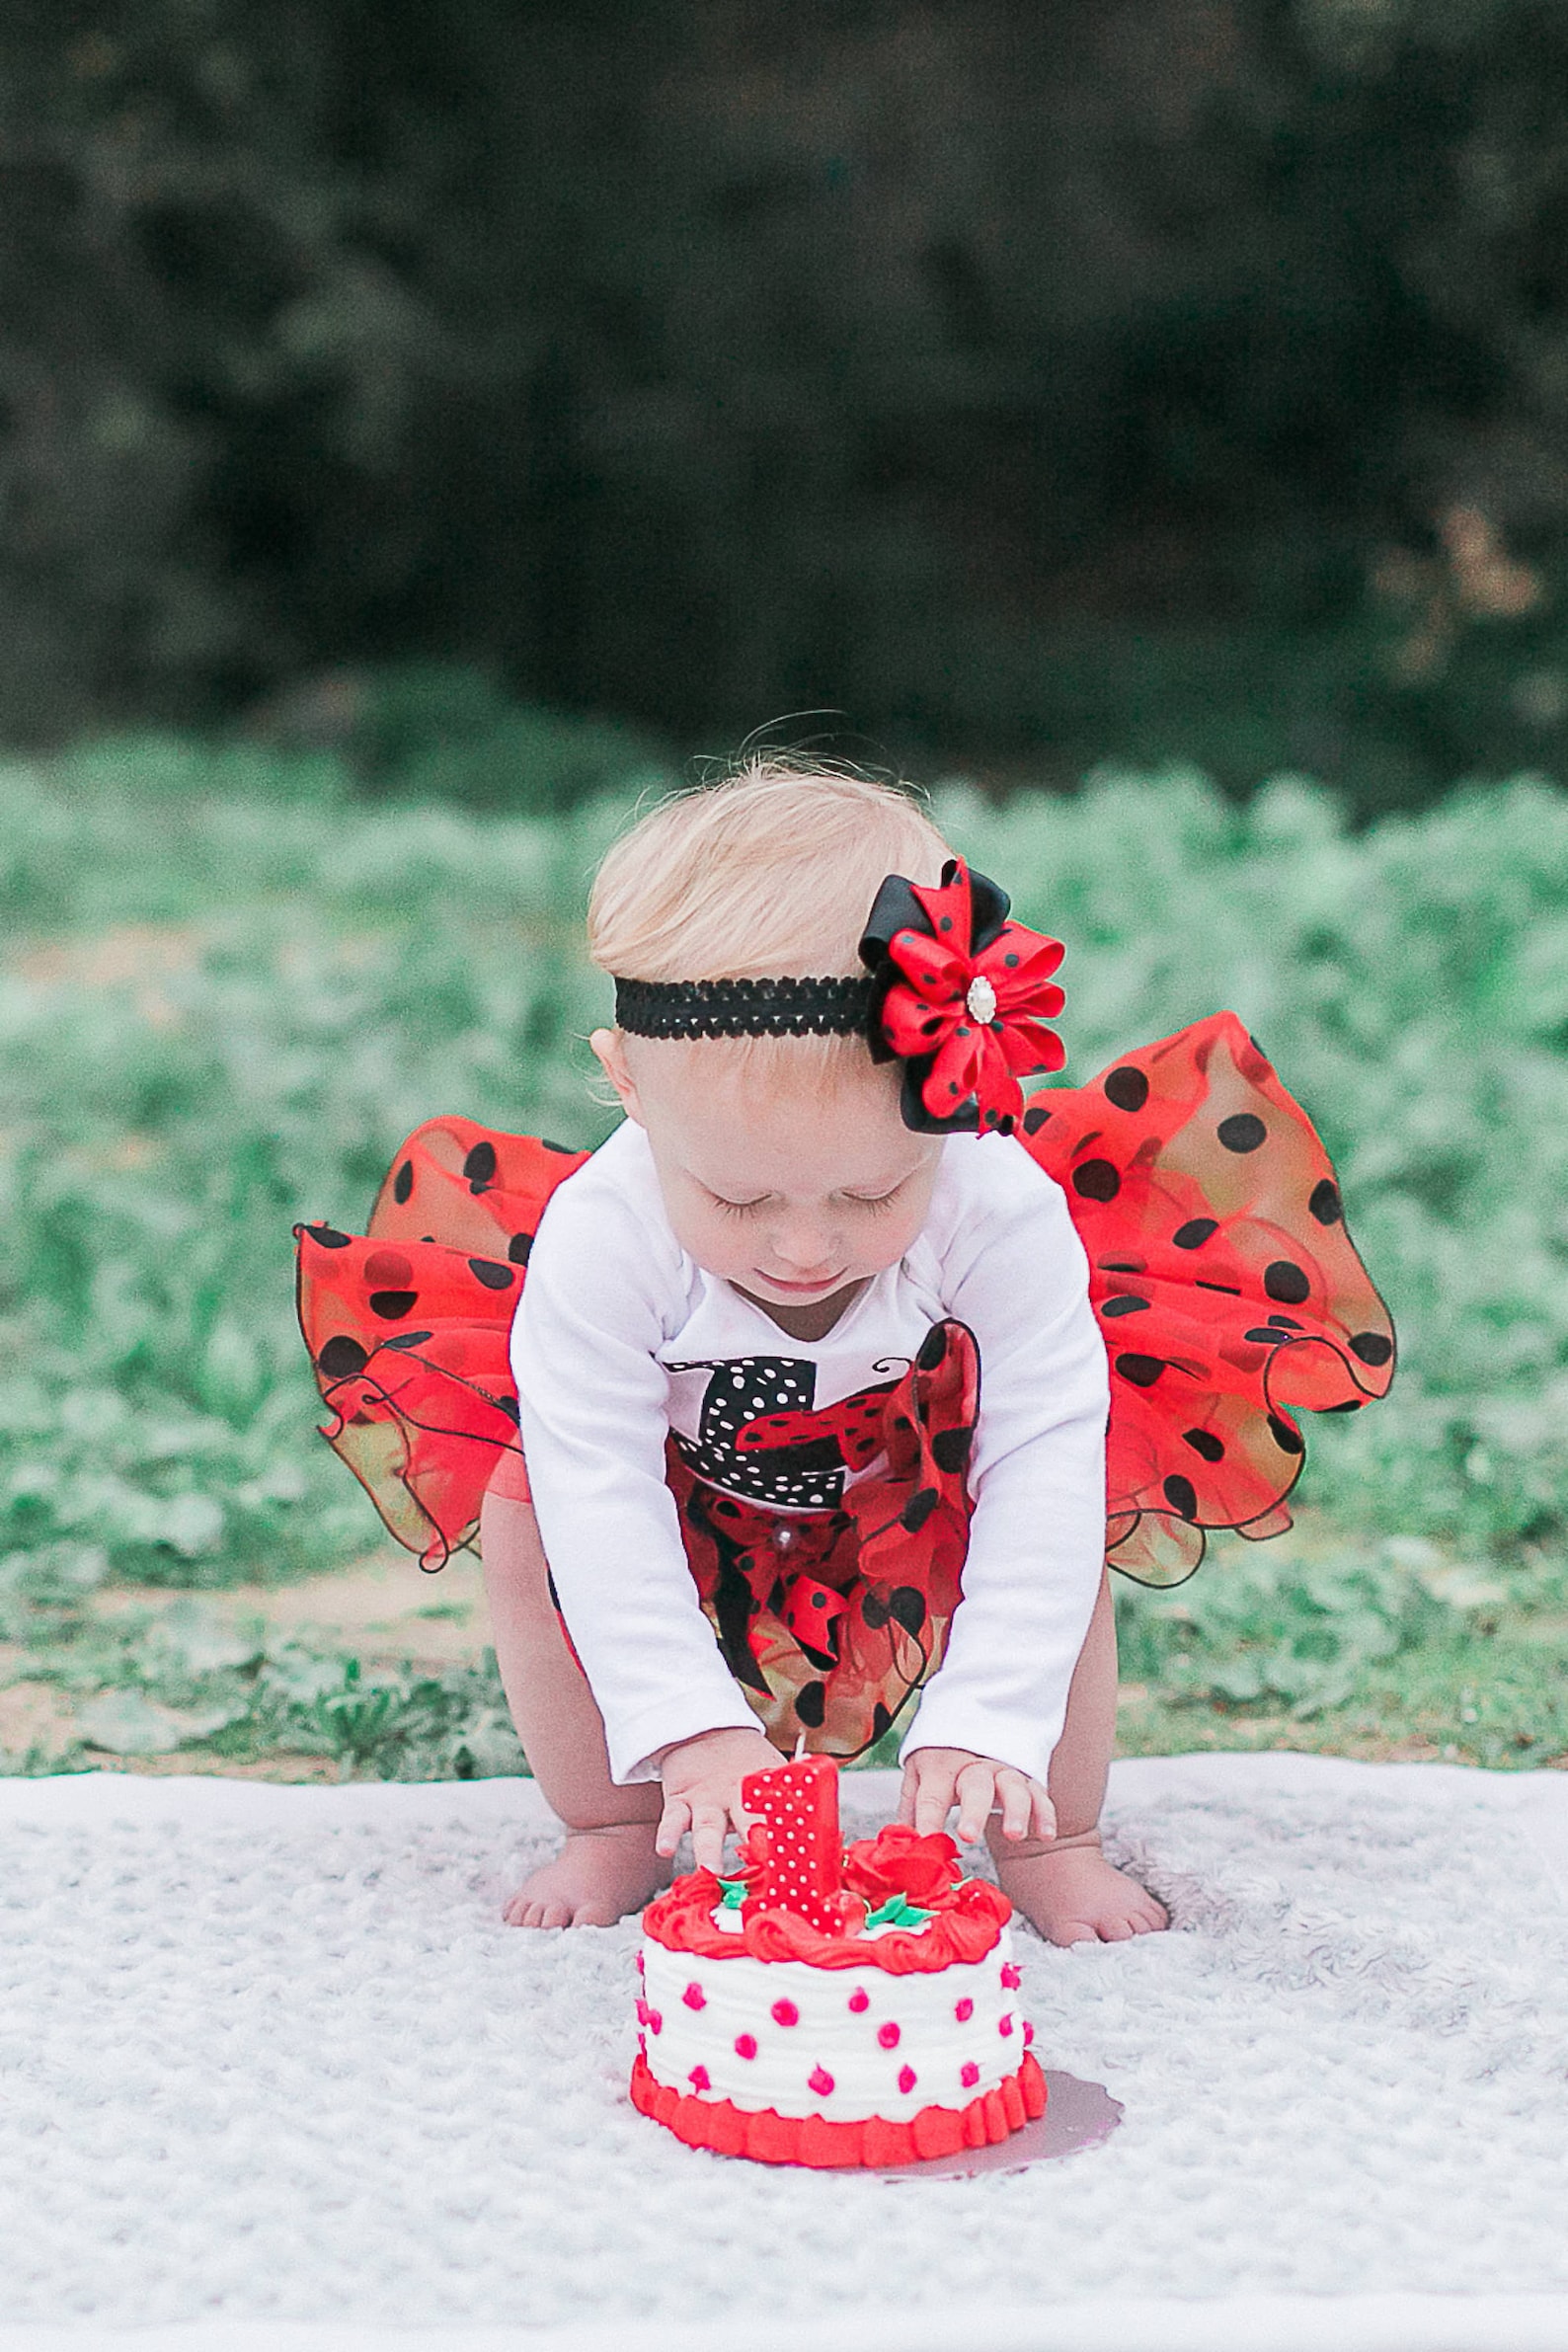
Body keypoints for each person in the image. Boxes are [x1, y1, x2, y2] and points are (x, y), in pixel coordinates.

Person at [295, 761, 1394, 1945]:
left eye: (875, 1189)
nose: (806, 1246)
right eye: (738, 1195)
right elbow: (598, 1488)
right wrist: (690, 1724)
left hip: (920, 1460)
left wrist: (985, 1710)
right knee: (527, 1513)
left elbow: (1041, 1455)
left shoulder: (994, 1201)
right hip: (676, 1475)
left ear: (950, 1105)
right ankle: (613, 1821)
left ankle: (1051, 1831)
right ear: (628, 1086)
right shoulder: (603, 1235)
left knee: (1062, 1515)